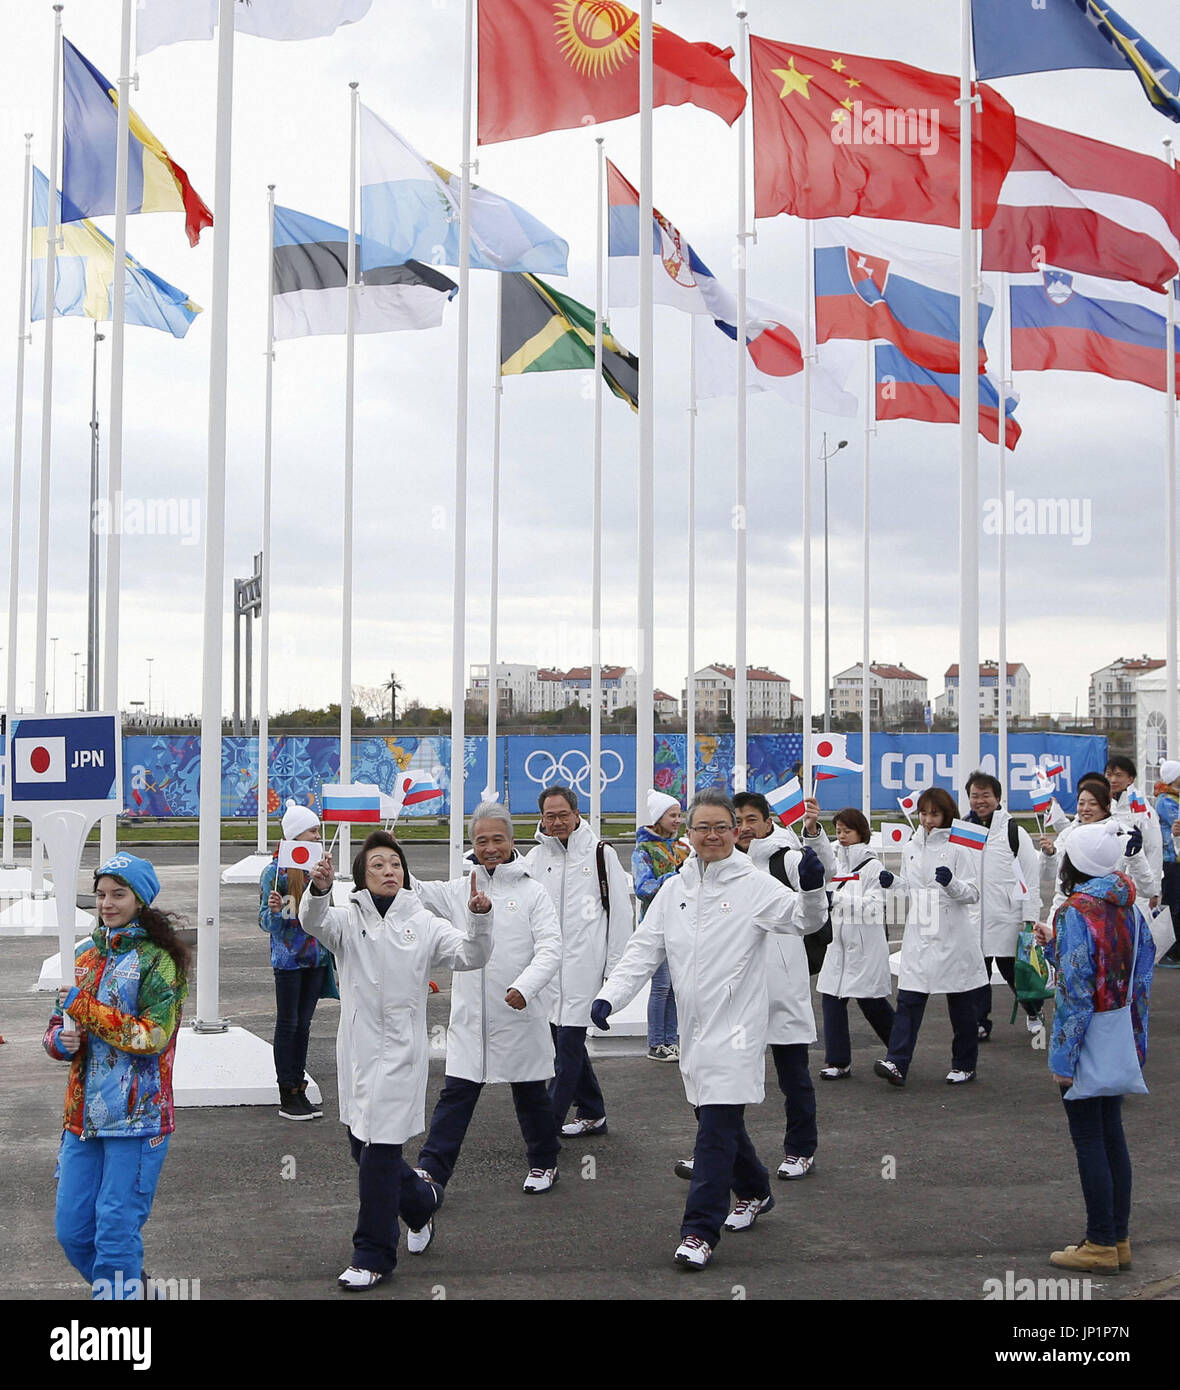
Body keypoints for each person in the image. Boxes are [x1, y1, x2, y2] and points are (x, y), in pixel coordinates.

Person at [592, 790, 829, 1270]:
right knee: (716, 1123)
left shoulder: (754, 885)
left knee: (716, 1128)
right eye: (702, 827)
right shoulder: (675, 891)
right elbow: (643, 950)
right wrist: (610, 996)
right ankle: (757, 1190)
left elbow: (804, 922)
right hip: (693, 1032)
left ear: (736, 831)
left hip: (738, 1029)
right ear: (689, 833)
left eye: (723, 826)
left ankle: (699, 1230)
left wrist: (810, 890)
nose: (713, 835)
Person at [300, 831, 493, 1290]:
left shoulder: (422, 923)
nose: (389, 871)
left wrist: (479, 920)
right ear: (363, 878)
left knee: (380, 1153)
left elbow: (471, 955)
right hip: (357, 1054)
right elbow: (311, 922)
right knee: (360, 1149)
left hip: (402, 1055)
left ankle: (373, 1254)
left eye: (395, 864)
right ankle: (422, 1201)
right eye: (378, 865)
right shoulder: (347, 921)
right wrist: (319, 890)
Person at [43, 853, 189, 1301]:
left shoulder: (160, 960)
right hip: (81, 1121)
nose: (106, 903)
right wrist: (58, 1042)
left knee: (115, 1233)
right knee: (72, 1231)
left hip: (137, 1119)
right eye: (101, 894)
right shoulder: (82, 957)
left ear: (140, 899)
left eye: (118, 894)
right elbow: (55, 1027)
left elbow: (153, 1037)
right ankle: (136, 1291)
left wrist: (85, 1009)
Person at [413, 802, 563, 1197]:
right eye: (482, 840)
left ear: (512, 841)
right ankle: (431, 1173)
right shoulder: (461, 888)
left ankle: (545, 1162)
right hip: (471, 1022)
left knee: (530, 1093)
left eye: (498, 839)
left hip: (518, 1014)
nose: (490, 847)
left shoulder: (533, 892)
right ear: (472, 844)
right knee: (456, 1095)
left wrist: (525, 987)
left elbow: (551, 948)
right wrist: (391, 857)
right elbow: (416, 892)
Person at [1033, 821, 1154, 1274]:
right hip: (1120, 1030)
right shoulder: (1129, 908)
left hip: (1085, 1036)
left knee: (1088, 1139)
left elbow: (1075, 993)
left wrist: (1063, 1057)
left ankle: (1100, 1242)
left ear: (1074, 864)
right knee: (1112, 1135)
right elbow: (1138, 978)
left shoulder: (1075, 912)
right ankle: (1117, 1238)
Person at [725, 790, 835, 1181]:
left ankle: (801, 1149)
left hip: (781, 985)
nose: (744, 827)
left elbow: (823, 881)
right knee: (727, 1077)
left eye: (751, 819)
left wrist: (814, 841)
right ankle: (719, 1150)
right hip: (738, 989)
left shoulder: (784, 858)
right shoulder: (725, 865)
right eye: (737, 820)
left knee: (793, 1075)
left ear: (768, 820)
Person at [524, 785, 632, 1135]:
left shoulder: (601, 854)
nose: (557, 822)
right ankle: (592, 1111)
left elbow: (619, 916)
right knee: (561, 1041)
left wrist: (614, 975)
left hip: (585, 971)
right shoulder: (536, 860)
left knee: (566, 1050)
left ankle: (546, 1126)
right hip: (548, 973)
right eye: (549, 816)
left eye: (563, 815)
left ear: (576, 814)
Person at [873, 787, 986, 1087]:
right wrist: (894, 882)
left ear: (946, 814)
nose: (927, 820)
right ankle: (897, 1062)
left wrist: (951, 885)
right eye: (923, 813)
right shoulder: (912, 846)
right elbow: (912, 889)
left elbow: (973, 894)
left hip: (952, 930)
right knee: (910, 996)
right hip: (920, 928)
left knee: (960, 999)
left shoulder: (960, 846)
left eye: (934, 814)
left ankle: (964, 1063)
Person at [259, 799, 333, 1120]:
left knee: (303, 1026)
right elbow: (267, 923)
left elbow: (325, 913)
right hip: (289, 962)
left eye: (317, 830)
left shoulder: (316, 870)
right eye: (312, 831)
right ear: (295, 835)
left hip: (315, 959)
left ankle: (298, 1088)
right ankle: (286, 1093)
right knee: (288, 1024)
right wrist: (274, 911)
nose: (318, 835)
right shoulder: (274, 872)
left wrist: (325, 884)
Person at [816, 807, 895, 1078]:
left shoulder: (874, 866)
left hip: (865, 946)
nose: (842, 836)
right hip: (838, 945)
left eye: (847, 831)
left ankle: (899, 1049)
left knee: (871, 1002)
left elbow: (876, 907)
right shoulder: (836, 864)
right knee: (831, 999)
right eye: (838, 831)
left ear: (861, 832)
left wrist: (837, 899)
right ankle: (838, 1061)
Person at [963, 772, 1043, 1041]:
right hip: (974, 919)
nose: (980, 801)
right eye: (975, 795)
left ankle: (1033, 1012)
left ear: (997, 798)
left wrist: (1030, 919)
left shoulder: (1014, 832)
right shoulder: (963, 830)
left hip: (1007, 918)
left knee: (1016, 975)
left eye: (986, 795)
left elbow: (1031, 879)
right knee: (977, 975)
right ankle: (979, 1022)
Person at [631, 789, 690, 1061]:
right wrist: (674, 877)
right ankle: (656, 1043)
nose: (678, 820)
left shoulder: (681, 847)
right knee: (662, 985)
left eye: (679, 814)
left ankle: (671, 1040)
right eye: (672, 815)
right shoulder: (643, 850)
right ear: (658, 817)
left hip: (682, 923)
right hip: (656, 925)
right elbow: (643, 888)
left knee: (676, 986)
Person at [1106, 755, 1162, 910]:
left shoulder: (1142, 810)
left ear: (1130, 779)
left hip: (1137, 886)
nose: (1113, 780)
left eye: (1119, 775)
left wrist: (1154, 890)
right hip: (1109, 887)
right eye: (1109, 774)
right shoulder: (1106, 806)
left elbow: (1154, 848)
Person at [1153, 759, 1180, 967]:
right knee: (1173, 904)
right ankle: (1171, 949)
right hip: (1171, 860)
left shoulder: (1174, 797)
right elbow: (1176, 823)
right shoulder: (1165, 800)